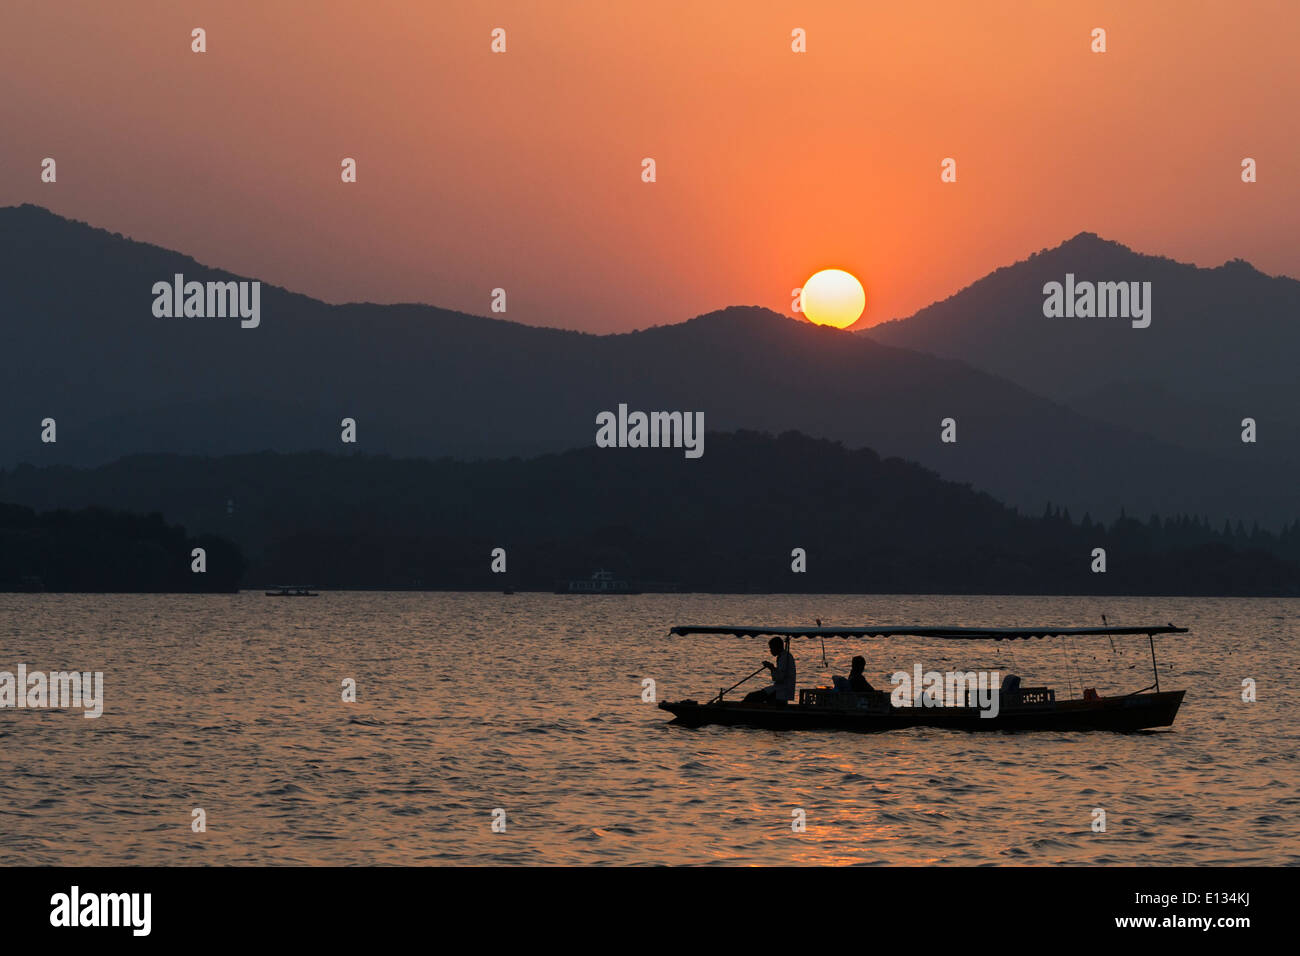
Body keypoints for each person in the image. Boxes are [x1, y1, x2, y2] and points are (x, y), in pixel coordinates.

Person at [743, 637, 796, 704]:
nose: (770, 650)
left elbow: (779, 678)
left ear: (777, 647)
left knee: (751, 697)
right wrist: (772, 668)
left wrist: (771, 668)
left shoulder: (784, 658)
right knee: (755, 696)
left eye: (771, 648)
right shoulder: (783, 656)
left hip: (782, 690)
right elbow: (780, 674)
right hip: (780, 688)